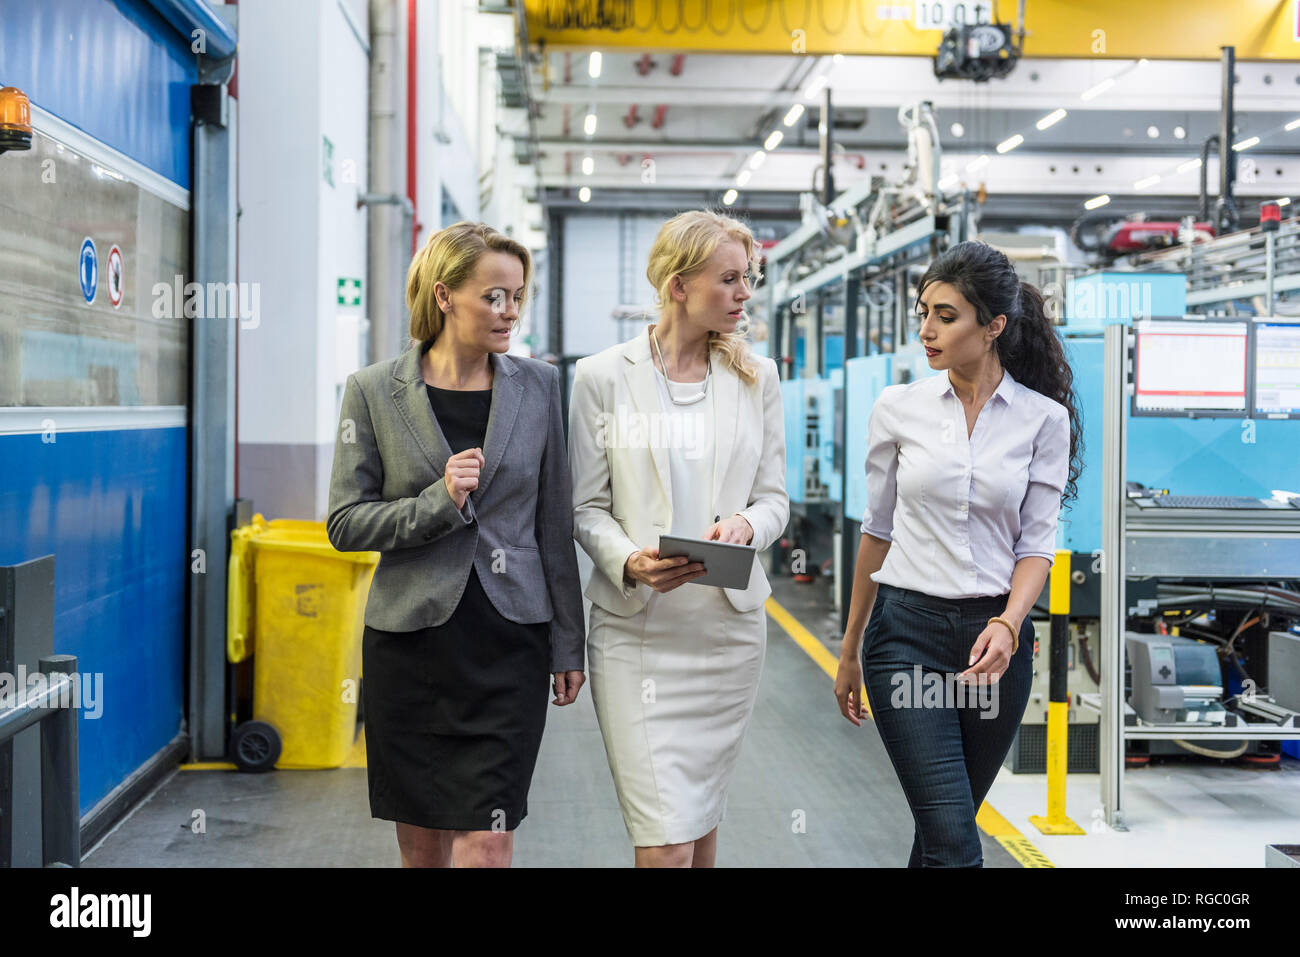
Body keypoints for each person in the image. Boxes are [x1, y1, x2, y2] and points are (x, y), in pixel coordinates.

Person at [326, 221, 585, 868]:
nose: (510, 311)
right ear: (444, 296)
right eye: (493, 296)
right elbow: (345, 523)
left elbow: (554, 525)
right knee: (423, 850)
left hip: (509, 644)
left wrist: (569, 640)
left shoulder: (540, 386)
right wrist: (436, 504)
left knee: (489, 842)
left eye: (518, 295)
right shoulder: (372, 391)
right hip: (412, 645)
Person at [833, 240, 1081, 868]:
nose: (926, 330)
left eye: (946, 316)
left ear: (993, 326)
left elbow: (1037, 543)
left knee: (942, 835)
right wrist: (850, 647)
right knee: (954, 842)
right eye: (923, 313)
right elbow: (878, 531)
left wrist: (1009, 624)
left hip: (993, 649)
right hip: (906, 637)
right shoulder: (898, 408)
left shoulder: (1043, 420)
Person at [568, 209, 789, 868]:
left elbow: (774, 498)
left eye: (746, 278)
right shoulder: (602, 376)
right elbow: (584, 506)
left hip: (726, 636)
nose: (744, 293)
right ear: (677, 284)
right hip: (638, 634)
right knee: (663, 839)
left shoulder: (757, 378)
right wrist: (629, 559)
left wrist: (746, 526)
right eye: (729, 279)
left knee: (697, 826)